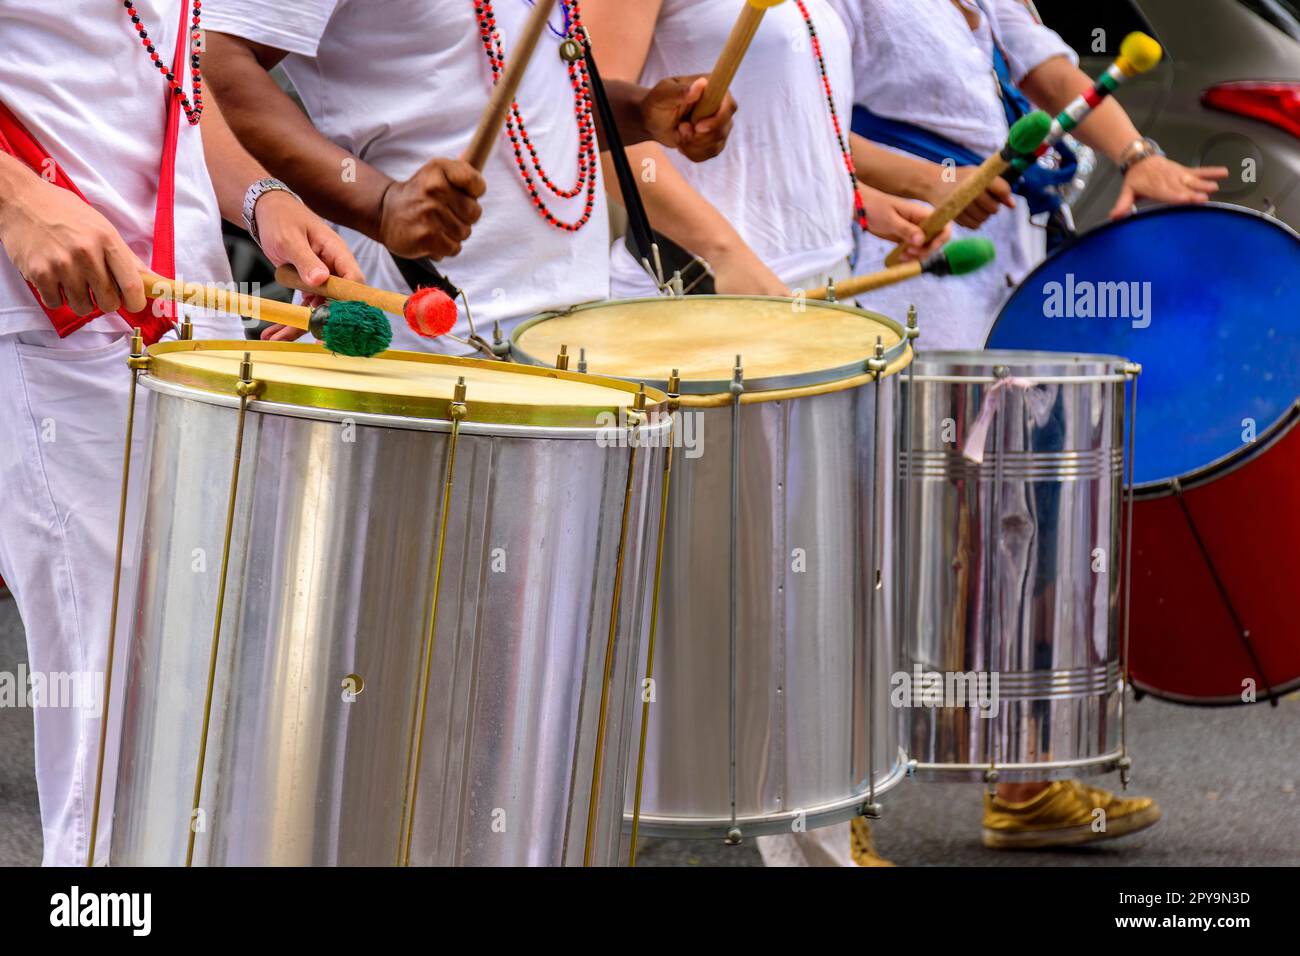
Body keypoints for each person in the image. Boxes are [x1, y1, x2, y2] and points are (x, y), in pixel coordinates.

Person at [830, 0, 1224, 854]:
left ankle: (1023, 781)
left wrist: (1138, 154)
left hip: (1007, 267)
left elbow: (1050, 70)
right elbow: (819, 124)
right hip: (910, 274)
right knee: (892, 539)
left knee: (1016, 524)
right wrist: (928, 184)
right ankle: (838, 805)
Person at [581, 0, 949, 870]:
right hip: (699, 310)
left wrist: (860, 198)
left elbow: (788, 120)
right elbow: (594, 135)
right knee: (671, 606)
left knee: (800, 601)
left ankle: (815, 841)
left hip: (799, 296)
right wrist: (728, 258)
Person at [0, 0, 362, 865]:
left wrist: (265, 201)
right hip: (56, 322)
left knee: (201, 722)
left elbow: (159, 74)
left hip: (185, 318)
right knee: (120, 750)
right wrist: (17, 200)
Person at [200, 0, 738, 354]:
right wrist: (380, 205)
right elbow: (218, 58)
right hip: (422, 335)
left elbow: (525, 108)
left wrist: (641, 112)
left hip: (569, 330)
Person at [587, 0, 948, 305]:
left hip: (827, 277)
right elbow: (595, 126)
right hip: (702, 292)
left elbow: (783, 115)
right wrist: (723, 252)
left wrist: (854, 196)